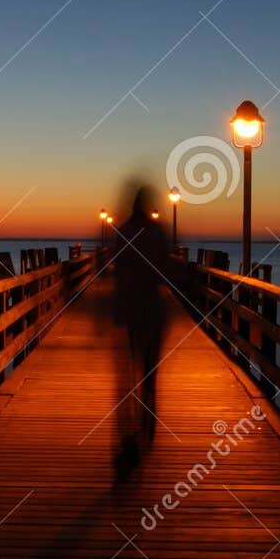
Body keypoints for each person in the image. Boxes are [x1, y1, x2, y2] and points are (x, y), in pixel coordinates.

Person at [110, 186, 170, 477]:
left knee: (132, 366)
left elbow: (118, 271)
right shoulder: (157, 232)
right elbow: (167, 270)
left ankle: (131, 430)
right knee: (150, 369)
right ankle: (148, 419)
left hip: (133, 309)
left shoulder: (123, 231)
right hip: (153, 309)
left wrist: (117, 305)